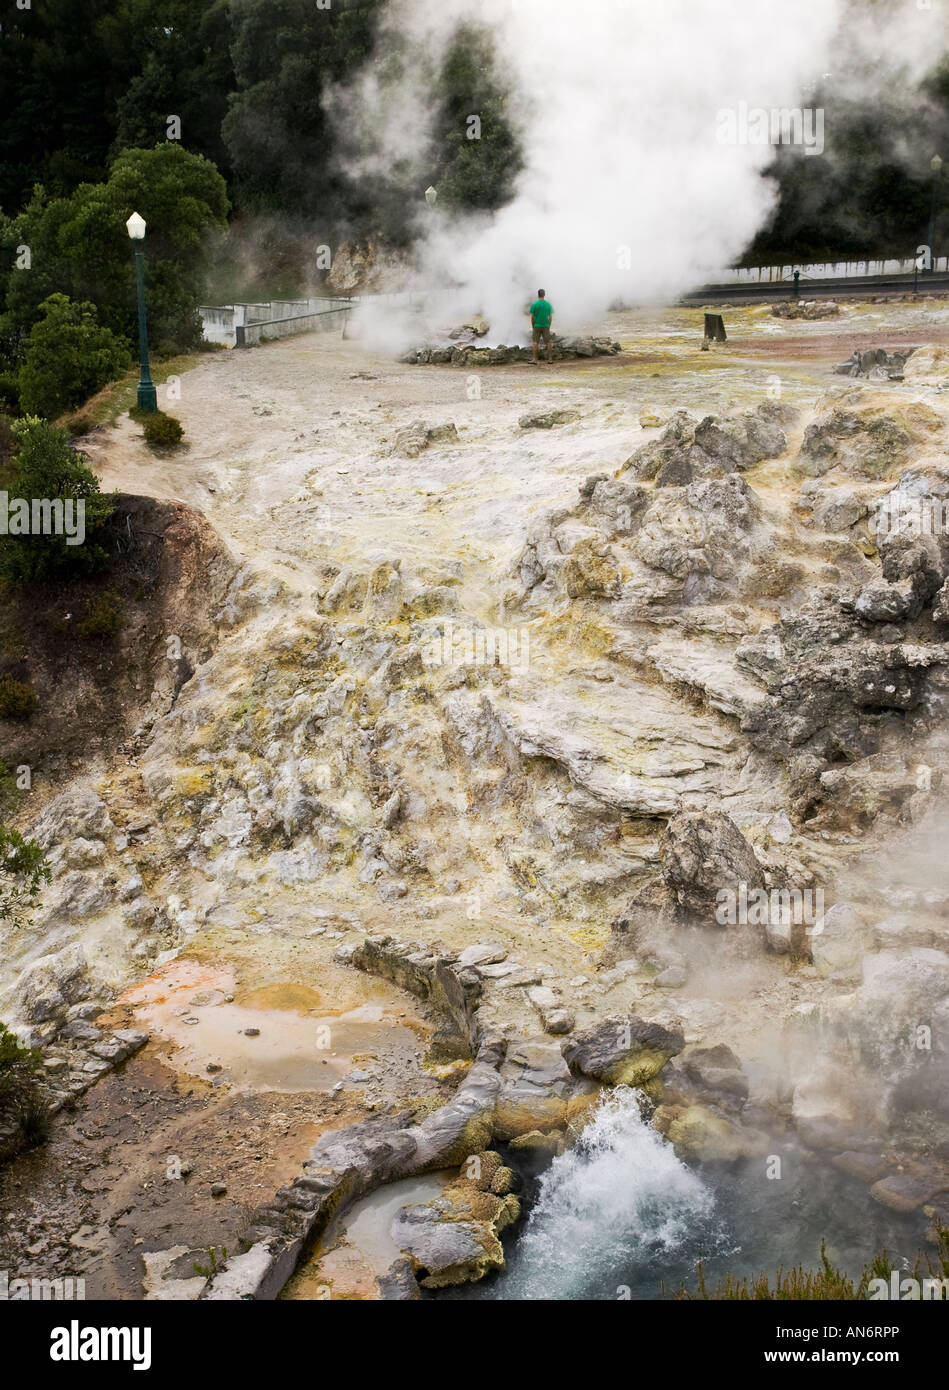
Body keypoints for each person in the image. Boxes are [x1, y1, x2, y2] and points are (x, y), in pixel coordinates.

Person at [529, 289, 554, 364]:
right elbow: (550, 317)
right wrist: (549, 325)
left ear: (538, 295)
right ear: (544, 295)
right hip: (546, 325)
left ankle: (534, 360)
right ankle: (550, 359)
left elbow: (532, 317)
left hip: (537, 325)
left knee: (535, 342)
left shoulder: (534, 304)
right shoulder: (548, 304)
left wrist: (533, 325)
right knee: (549, 342)